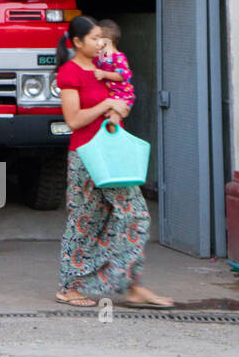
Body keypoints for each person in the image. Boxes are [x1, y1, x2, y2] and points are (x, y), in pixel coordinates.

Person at [53, 15, 172, 308]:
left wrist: (119, 109)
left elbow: (123, 95)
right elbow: (73, 120)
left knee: (133, 216)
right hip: (86, 156)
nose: (99, 44)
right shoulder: (69, 73)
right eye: (93, 39)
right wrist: (106, 104)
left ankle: (130, 283)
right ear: (78, 42)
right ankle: (69, 287)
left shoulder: (104, 68)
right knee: (84, 222)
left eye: (101, 38)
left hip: (111, 153)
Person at [93, 18, 134, 108]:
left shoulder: (118, 57)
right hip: (107, 96)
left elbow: (122, 75)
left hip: (120, 97)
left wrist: (104, 74)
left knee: (111, 119)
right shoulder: (99, 56)